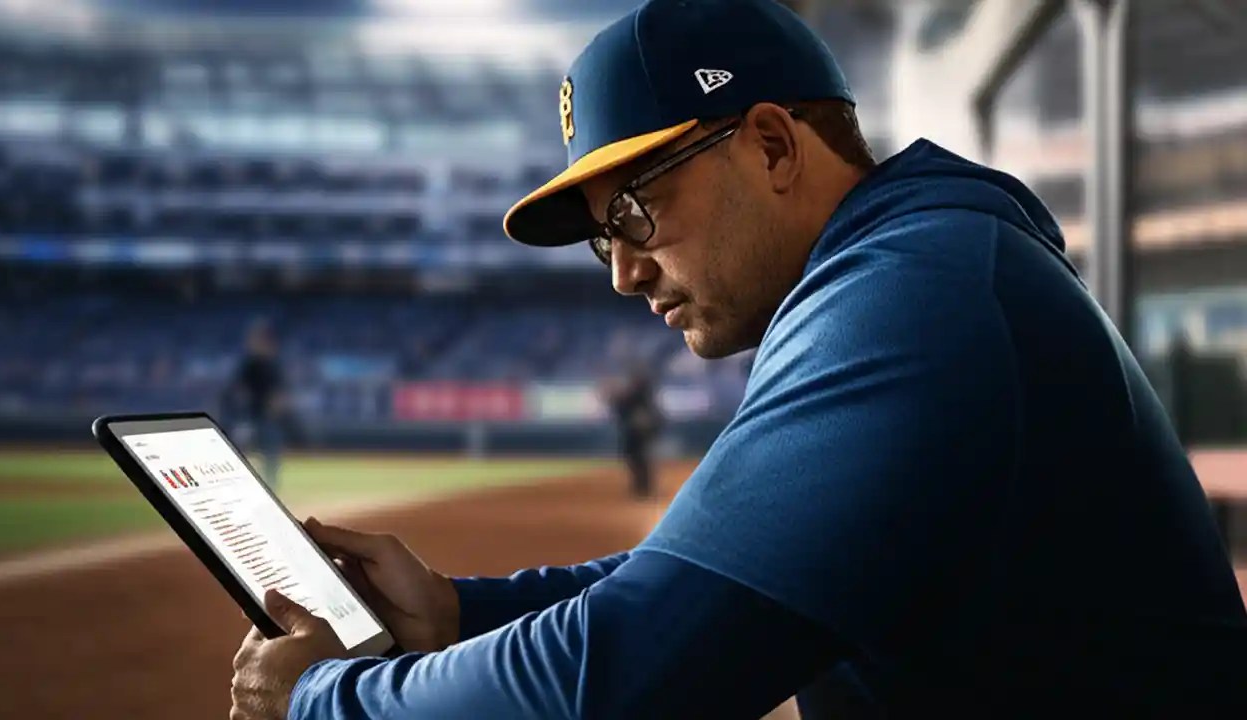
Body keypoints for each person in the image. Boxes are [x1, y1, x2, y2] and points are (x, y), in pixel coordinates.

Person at [229, 1, 1247, 718]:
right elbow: (728, 570)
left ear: (769, 145)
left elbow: (621, 684)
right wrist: (461, 610)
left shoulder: (909, 299)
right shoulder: (919, 265)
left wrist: (325, 702)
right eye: (600, 236)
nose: (622, 273)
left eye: (633, 209)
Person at [224, 318, 288, 490]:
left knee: (270, 456)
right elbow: (237, 389)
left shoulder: (272, 365)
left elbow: (278, 393)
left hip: (264, 418)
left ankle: (271, 489)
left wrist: (274, 410)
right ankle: (239, 485)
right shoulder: (249, 364)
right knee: (240, 453)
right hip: (250, 417)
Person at [598, 360, 663, 499]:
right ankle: (642, 486)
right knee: (636, 457)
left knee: (637, 457)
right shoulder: (640, 392)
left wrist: (611, 395)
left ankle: (643, 487)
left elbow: (624, 403)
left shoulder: (640, 392)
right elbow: (622, 405)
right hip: (636, 430)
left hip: (638, 430)